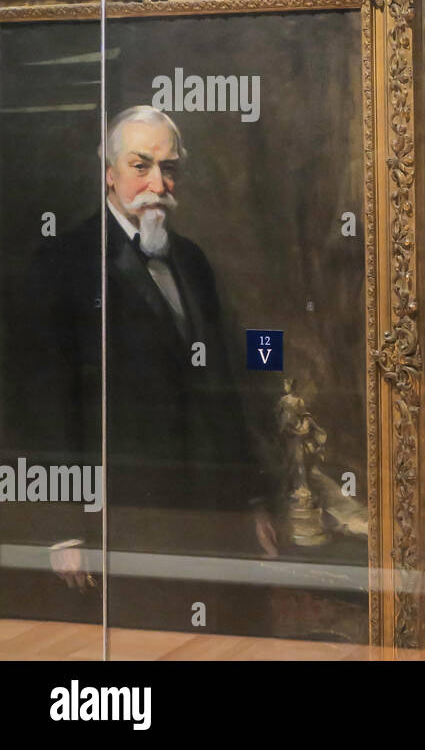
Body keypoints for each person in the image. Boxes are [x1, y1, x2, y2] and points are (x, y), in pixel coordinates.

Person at [21, 106, 275, 609]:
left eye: (170, 168)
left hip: (207, 513)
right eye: (141, 166)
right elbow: (45, 403)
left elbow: (223, 388)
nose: (158, 183)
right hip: (121, 517)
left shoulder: (194, 261)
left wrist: (251, 499)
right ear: (109, 175)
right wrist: (65, 529)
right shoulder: (64, 262)